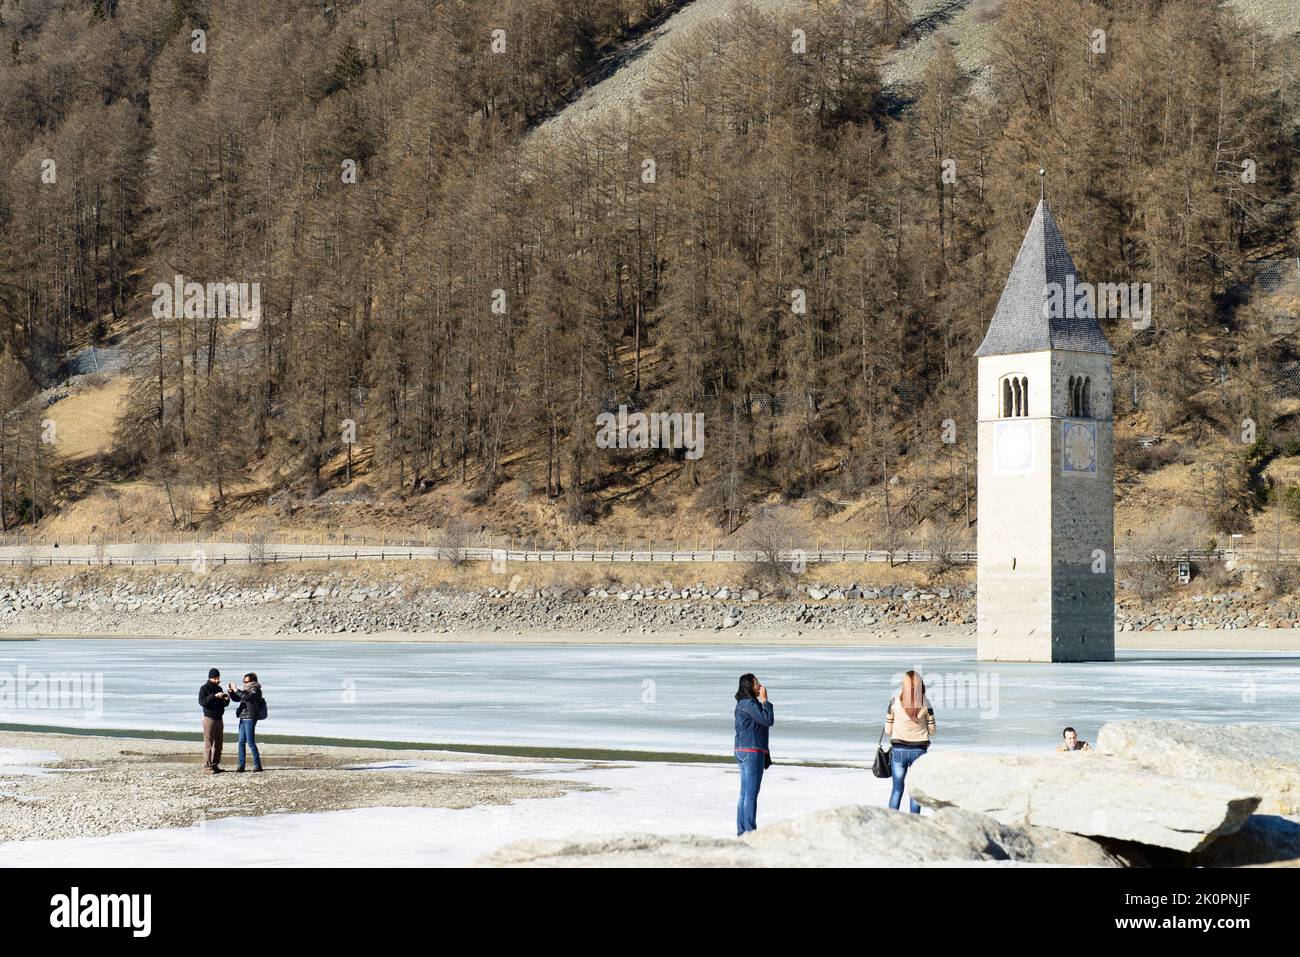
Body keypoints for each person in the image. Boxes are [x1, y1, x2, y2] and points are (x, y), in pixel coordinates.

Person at [885, 670, 936, 813]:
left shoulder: (894, 702)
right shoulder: (926, 704)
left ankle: (891, 819)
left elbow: (888, 731)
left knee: (896, 790)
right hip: (919, 751)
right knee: (915, 791)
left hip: (898, 751)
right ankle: (914, 821)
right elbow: (932, 731)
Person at [733, 673, 774, 836]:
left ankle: (742, 831)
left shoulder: (742, 704)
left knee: (744, 794)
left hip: (742, 750)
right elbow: (767, 719)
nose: (759, 686)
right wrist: (765, 701)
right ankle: (749, 832)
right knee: (750, 795)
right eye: (756, 683)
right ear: (749, 686)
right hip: (751, 752)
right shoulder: (750, 704)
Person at [228, 673, 264, 772]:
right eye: (243, 682)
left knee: (250, 742)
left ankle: (258, 765)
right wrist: (231, 692)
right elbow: (237, 698)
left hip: (250, 717)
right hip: (243, 716)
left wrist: (236, 689)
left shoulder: (255, 689)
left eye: (246, 682)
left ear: (252, 681)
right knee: (241, 741)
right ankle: (241, 765)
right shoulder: (247, 690)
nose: (244, 684)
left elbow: (246, 697)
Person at [198, 668, 230, 773]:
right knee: (209, 743)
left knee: (219, 743)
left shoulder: (219, 688)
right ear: (210, 678)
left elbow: (224, 705)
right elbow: (202, 702)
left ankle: (215, 764)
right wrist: (214, 696)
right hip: (209, 718)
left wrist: (226, 699)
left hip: (219, 718)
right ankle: (207, 766)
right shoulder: (204, 688)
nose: (217, 680)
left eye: (218, 678)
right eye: (215, 678)